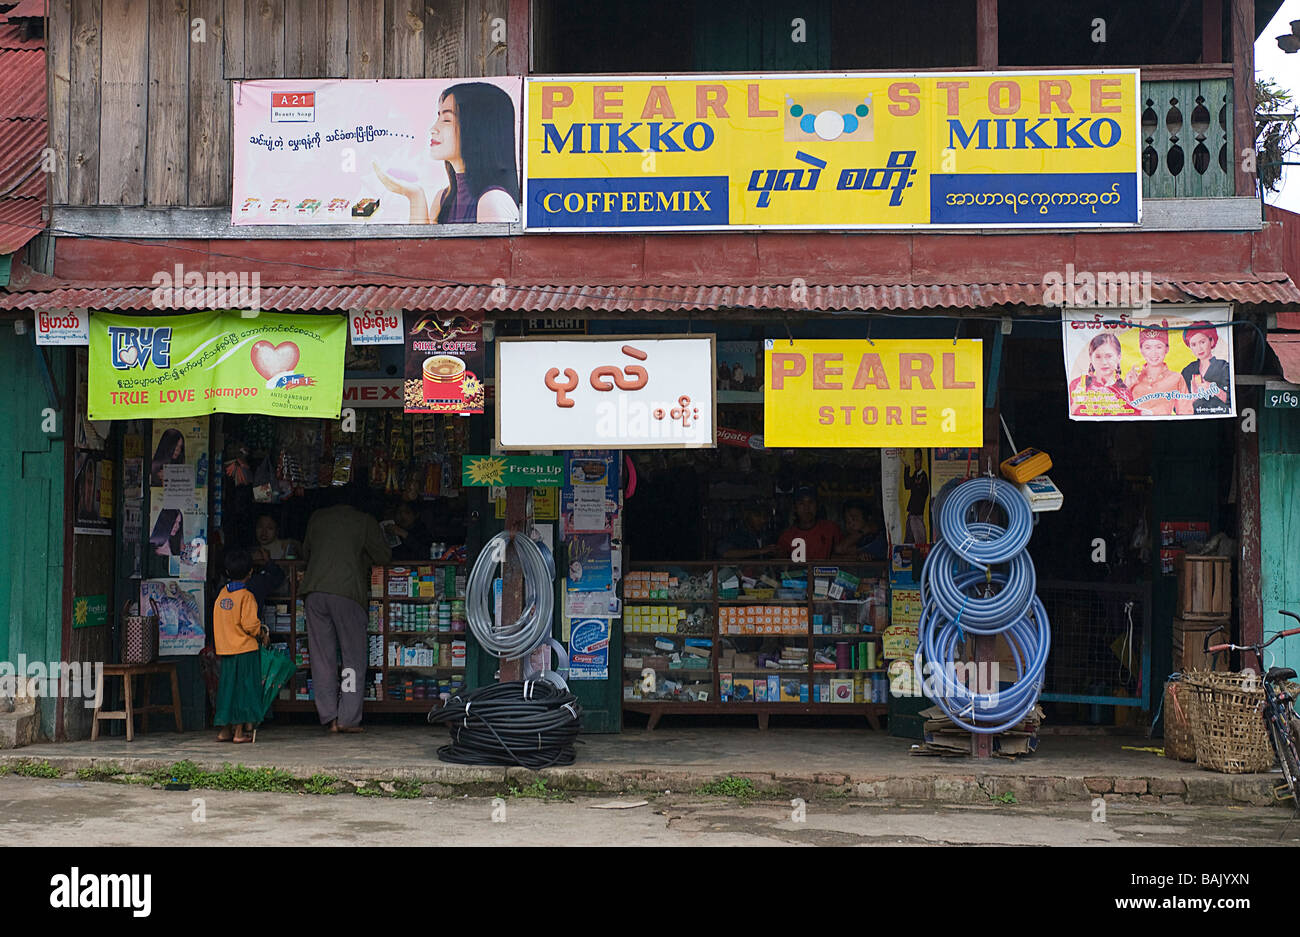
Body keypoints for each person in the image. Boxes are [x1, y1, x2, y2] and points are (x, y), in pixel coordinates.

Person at [300, 487, 392, 733]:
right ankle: (347, 719)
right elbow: (383, 555)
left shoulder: (317, 518)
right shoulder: (364, 521)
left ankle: (329, 717)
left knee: (322, 659)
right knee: (352, 658)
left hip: (315, 592)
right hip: (347, 594)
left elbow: (305, 553)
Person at [374, 82, 520, 224]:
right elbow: (424, 248)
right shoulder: (442, 199)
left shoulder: (493, 201)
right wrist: (414, 195)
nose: (433, 128)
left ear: (477, 129)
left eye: (446, 120)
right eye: (439, 117)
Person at [211, 549, 268, 744]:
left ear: (227, 571)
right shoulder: (246, 596)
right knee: (244, 690)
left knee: (227, 690)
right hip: (245, 650)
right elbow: (250, 625)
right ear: (250, 572)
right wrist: (261, 633)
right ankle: (238, 733)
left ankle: (224, 731)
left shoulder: (222, 594)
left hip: (226, 649)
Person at [1126, 322, 1192, 416]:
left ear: (1167, 349)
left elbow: (1186, 413)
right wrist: (1127, 387)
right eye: (1148, 347)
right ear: (1141, 350)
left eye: (1159, 347)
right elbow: (1119, 411)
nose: (1154, 353)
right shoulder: (1132, 378)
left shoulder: (1176, 378)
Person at [1069, 333, 1141, 417]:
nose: (1104, 362)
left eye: (1109, 356)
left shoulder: (1124, 391)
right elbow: (1070, 415)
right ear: (1091, 358)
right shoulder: (1079, 385)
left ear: (1119, 357)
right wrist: (1076, 403)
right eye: (1098, 357)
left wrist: (1129, 388)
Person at [1180, 322, 1232, 415]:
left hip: (1220, 422)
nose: (1199, 348)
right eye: (1194, 344)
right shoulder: (1187, 370)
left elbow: (1233, 401)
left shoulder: (1224, 367)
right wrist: (1193, 397)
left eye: (1202, 342)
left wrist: (1215, 390)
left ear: (1211, 341)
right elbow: (1178, 408)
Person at [777, 486, 841, 561]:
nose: (806, 508)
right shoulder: (786, 537)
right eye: (801, 503)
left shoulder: (831, 529)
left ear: (817, 506)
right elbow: (781, 565)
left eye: (811, 502)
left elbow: (844, 555)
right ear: (795, 508)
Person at [902, 450, 929, 545]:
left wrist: (917, 485)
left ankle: (920, 555)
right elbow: (907, 485)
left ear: (921, 460)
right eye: (915, 460)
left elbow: (924, 493)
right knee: (909, 538)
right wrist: (907, 468)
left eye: (917, 460)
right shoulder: (915, 475)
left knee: (919, 539)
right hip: (912, 512)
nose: (916, 463)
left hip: (917, 512)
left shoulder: (923, 476)